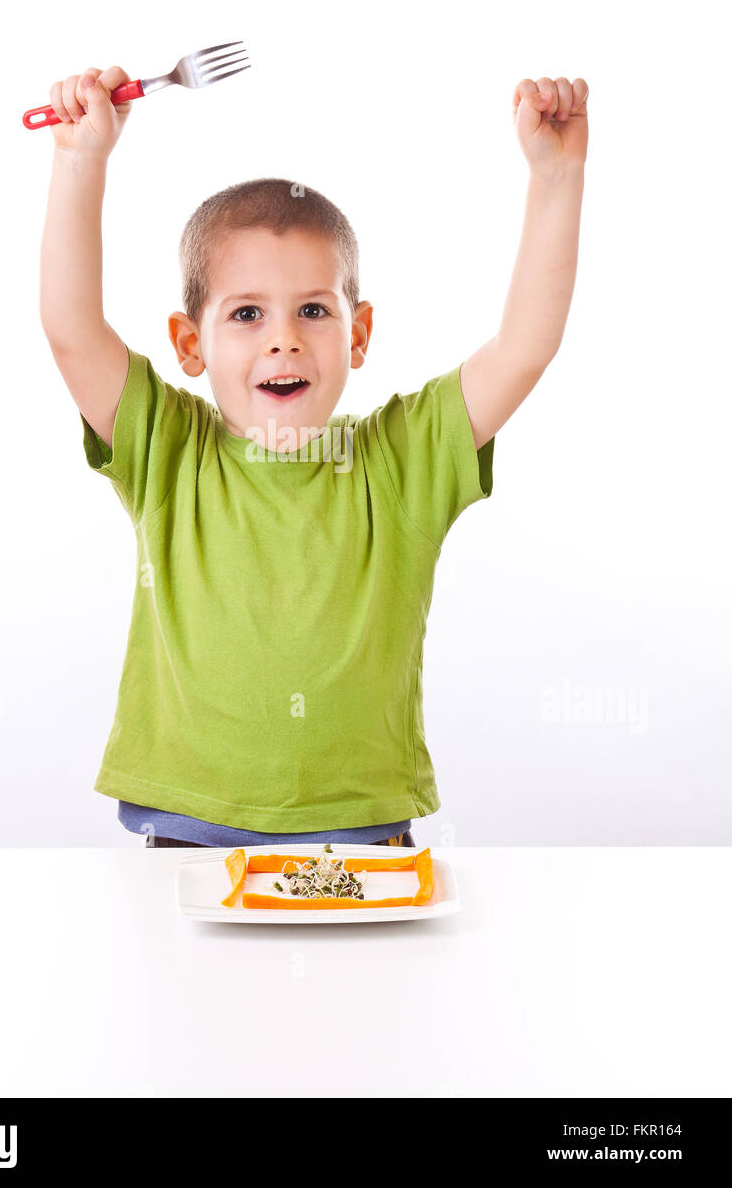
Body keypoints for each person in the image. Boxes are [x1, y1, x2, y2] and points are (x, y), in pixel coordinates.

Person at [38, 64, 587, 849]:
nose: (284, 339)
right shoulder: (168, 449)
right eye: (247, 314)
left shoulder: (402, 460)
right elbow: (70, 328)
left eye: (313, 310)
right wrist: (78, 160)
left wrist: (556, 179)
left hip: (361, 840)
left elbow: (525, 348)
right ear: (190, 344)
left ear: (357, 334)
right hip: (188, 834)